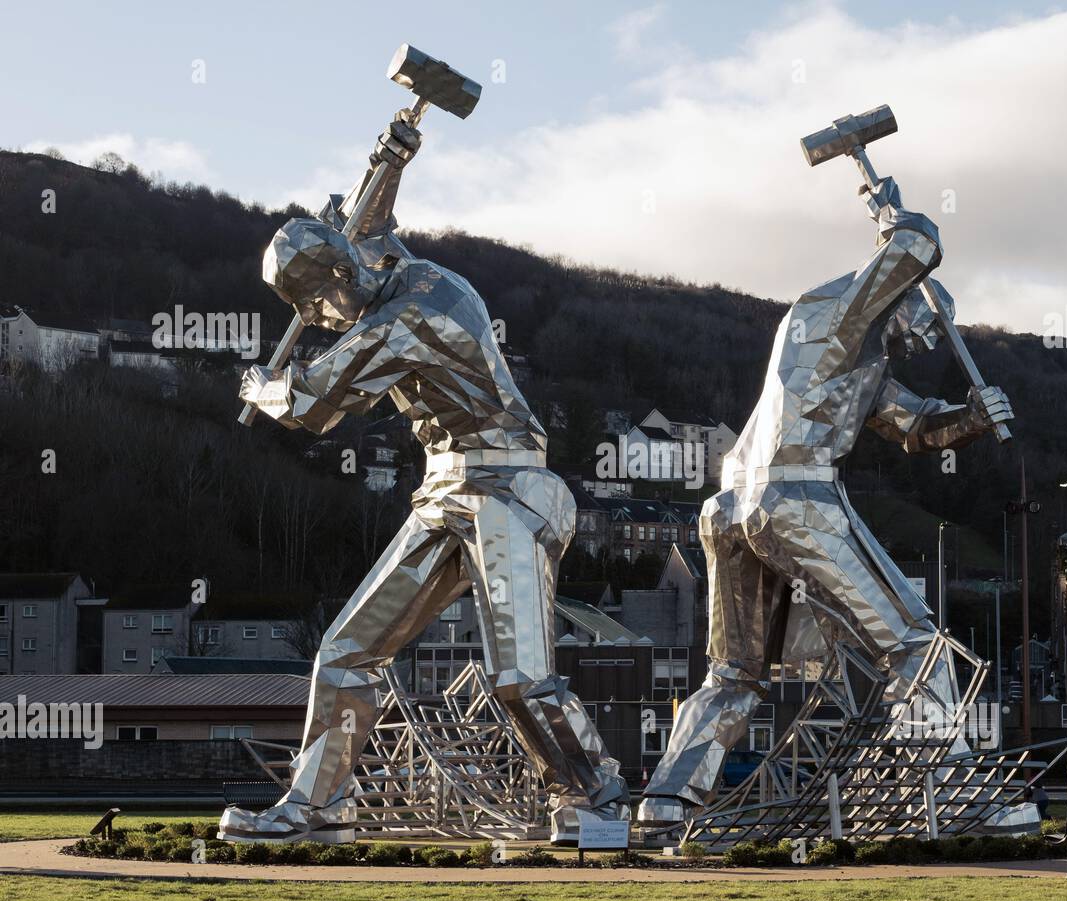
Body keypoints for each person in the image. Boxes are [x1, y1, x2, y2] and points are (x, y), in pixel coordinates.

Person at [221, 113, 626, 844]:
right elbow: (368, 224)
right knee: (347, 651)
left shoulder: (409, 316)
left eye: (317, 306)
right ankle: (317, 805)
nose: (319, 319)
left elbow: (314, 404)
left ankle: (595, 799)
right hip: (444, 493)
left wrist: (263, 388)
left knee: (519, 678)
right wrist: (393, 156)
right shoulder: (389, 273)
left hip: (507, 491)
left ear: (343, 277)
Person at [639, 173, 1013, 825]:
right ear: (894, 298)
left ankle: (668, 799)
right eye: (924, 327)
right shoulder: (827, 315)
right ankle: (951, 799)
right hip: (796, 494)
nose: (919, 344)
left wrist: (972, 417)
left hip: (733, 506)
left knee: (734, 674)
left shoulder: (860, 363)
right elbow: (916, 248)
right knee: (915, 644)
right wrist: (896, 223)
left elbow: (916, 427)